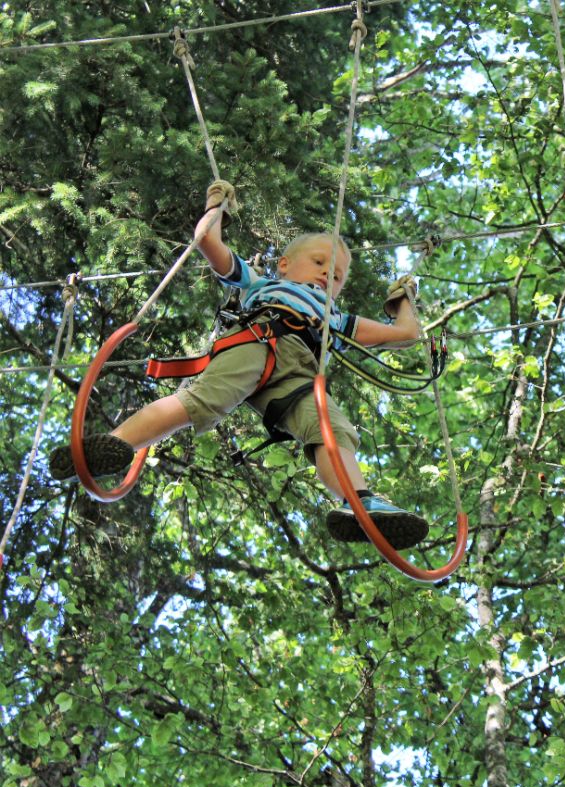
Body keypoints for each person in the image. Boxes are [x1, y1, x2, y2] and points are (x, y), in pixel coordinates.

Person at [50, 180, 429, 549]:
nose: (329, 273)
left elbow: (406, 334)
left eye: (339, 276)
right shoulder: (260, 283)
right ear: (284, 264)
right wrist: (216, 207)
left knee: (330, 428)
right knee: (201, 401)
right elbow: (207, 242)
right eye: (319, 262)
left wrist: (403, 299)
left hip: (299, 375)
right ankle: (114, 446)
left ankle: (357, 501)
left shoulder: (339, 319)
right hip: (258, 341)